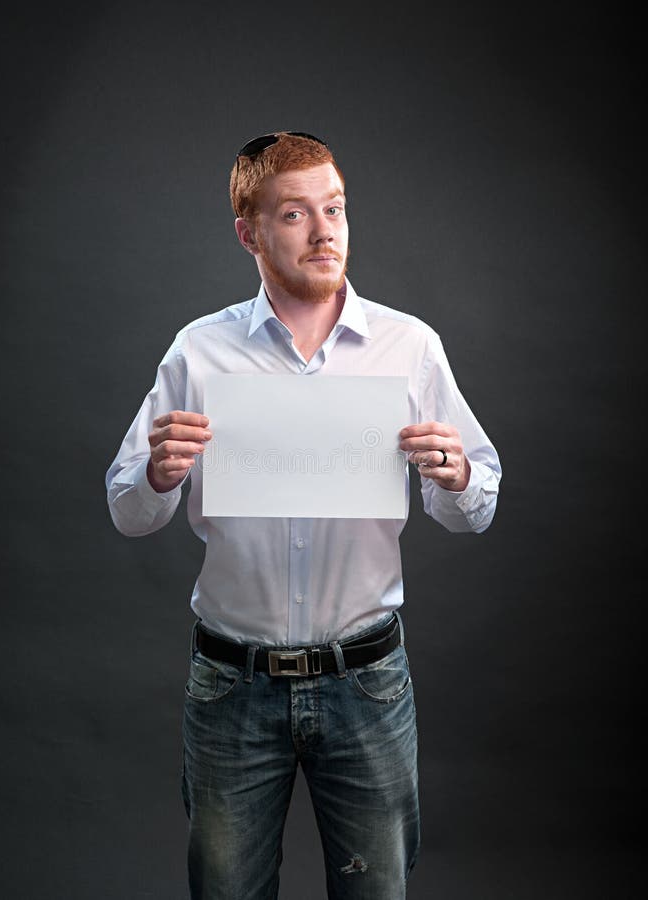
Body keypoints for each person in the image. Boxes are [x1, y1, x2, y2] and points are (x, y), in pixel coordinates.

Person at [105, 131, 501, 900]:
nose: (325, 232)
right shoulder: (199, 352)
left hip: (367, 682)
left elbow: (473, 509)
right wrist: (156, 473)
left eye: (336, 209)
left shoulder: (408, 346)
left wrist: (455, 477)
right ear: (248, 232)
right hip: (230, 684)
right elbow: (128, 512)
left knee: (375, 892)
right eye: (295, 213)